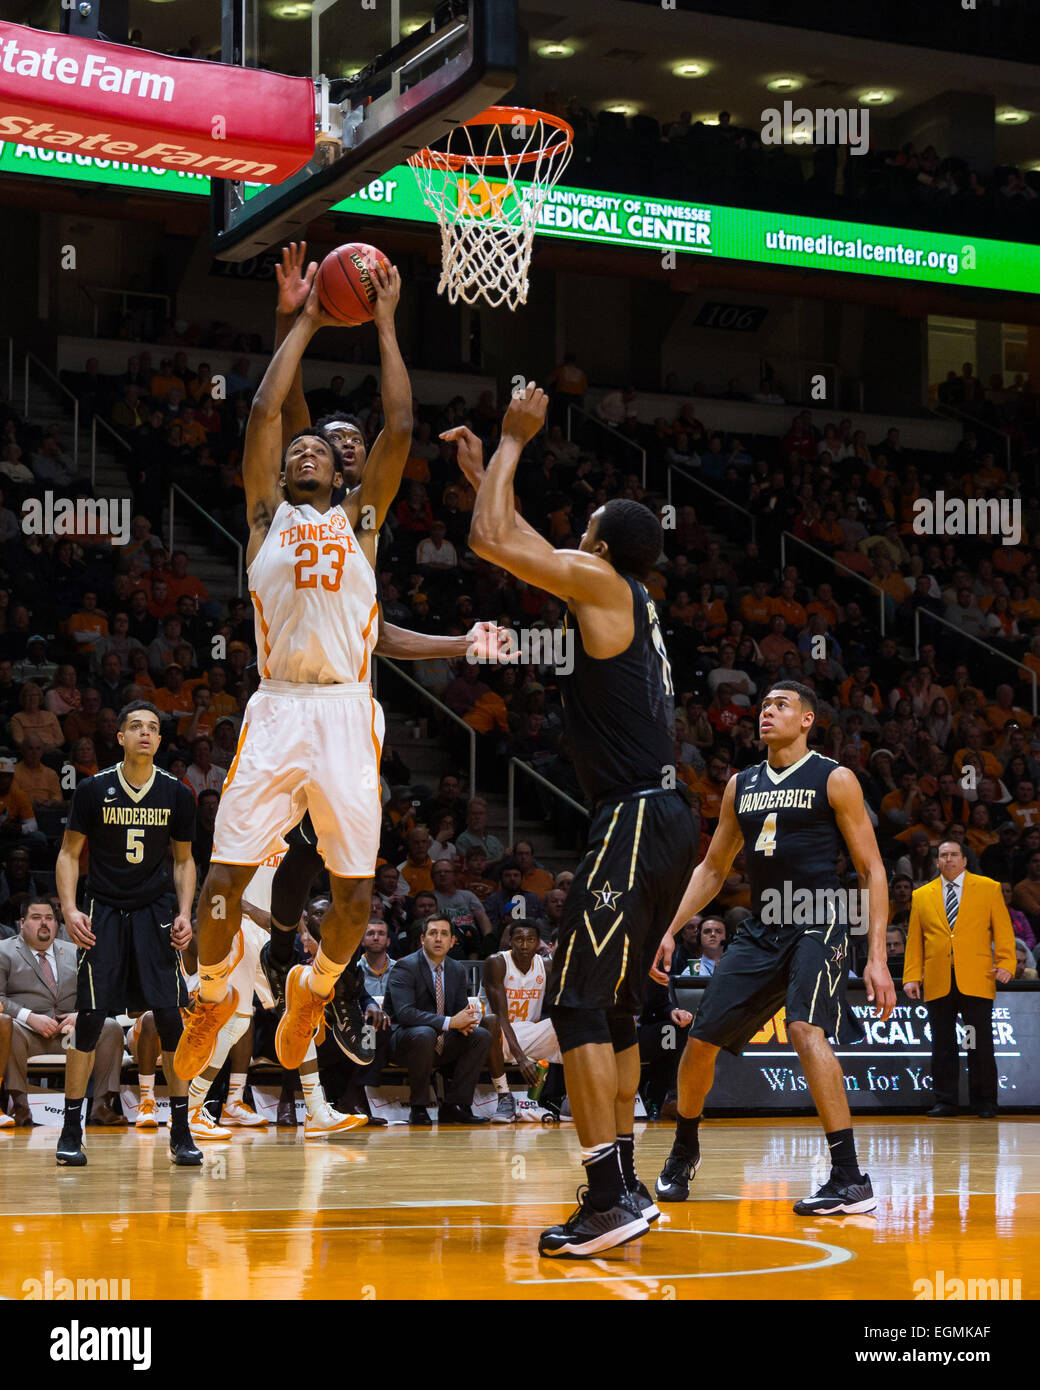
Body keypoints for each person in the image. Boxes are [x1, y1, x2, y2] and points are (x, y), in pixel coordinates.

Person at [450, 388, 699, 1258]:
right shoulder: (628, 597)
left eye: (584, 528)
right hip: (664, 815)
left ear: (597, 543)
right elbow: (511, 539)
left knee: (579, 1001)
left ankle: (605, 1197)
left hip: (631, 816)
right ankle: (625, 1182)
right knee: (621, 1012)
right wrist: (492, 475)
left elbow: (493, 542)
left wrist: (515, 439)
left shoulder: (600, 579)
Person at [172, 250, 413, 1088]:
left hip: (347, 714)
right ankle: (207, 996)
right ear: (281, 471)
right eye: (298, 448)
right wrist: (304, 318)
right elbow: (270, 411)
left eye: (323, 448)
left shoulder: (364, 520)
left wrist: (382, 322)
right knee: (224, 877)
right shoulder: (264, 514)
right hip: (276, 711)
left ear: (341, 472)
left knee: (355, 894)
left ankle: (317, 988)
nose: (309, 449)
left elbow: (400, 430)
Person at [650, 680, 896, 1216]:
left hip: (819, 919)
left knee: (806, 1029)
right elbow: (714, 869)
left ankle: (849, 1178)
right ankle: (684, 1150)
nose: (766, 713)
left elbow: (872, 868)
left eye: (780, 706)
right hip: (763, 925)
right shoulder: (742, 784)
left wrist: (876, 957)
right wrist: (668, 928)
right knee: (701, 1041)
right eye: (763, 706)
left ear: (807, 719)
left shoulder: (835, 777)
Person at [54, 700, 200, 1166]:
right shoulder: (95, 789)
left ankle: (181, 1130)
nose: (144, 733)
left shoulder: (177, 793)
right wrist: (71, 908)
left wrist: (184, 913)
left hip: (155, 910)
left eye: (152, 728)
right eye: (134, 726)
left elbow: (183, 860)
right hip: (103, 908)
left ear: (159, 740)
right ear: (119, 737)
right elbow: (67, 854)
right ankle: (71, 1128)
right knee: (92, 1019)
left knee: (171, 1017)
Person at [904, 840, 1015, 1118]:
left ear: (964, 860)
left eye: (954, 855)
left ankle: (985, 1101)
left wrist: (1006, 964)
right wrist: (912, 976)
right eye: (943, 855)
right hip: (939, 979)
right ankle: (946, 1101)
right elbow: (914, 941)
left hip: (977, 977)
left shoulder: (988, 888)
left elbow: (1003, 929)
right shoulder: (922, 895)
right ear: (937, 861)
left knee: (978, 1043)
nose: (949, 859)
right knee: (942, 1045)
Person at [0, 898, 125, 1127]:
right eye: (36, 918)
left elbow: (96, 990)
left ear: (57, 923)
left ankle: (102, 1106)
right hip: (28, 1034)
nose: (44, 923)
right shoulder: (4, 951)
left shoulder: (75, 950)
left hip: (71, 1034)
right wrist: (29, 1017)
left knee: (110, 1027)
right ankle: (20, 1106)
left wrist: (82, 1015)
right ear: (22, 923)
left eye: (49, 918)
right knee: (8, 1027)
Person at [384, 915, 496, 1125]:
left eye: (444, 934)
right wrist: (450, 1022)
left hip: (442, 1041)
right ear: (422, 939)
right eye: (433, 933)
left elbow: (460, 1012)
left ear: (452, 941)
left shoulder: (456, 969)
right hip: (405, 1042)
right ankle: (418, 1108)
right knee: (424, 1033)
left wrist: (465, 1023)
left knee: (480, 1036)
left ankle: (455, 1105)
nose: (438, 939)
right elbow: (405, 1013)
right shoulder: (404, 967)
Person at [481, 922, 561, 1123]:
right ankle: (504, 1097)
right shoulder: (497, 962)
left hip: (529, 1035)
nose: (525, 946)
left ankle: (570, 1097)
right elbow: (500, 1015)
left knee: (569, 1022)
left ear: (538, 943)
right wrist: (522, 1058)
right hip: (496, 1038)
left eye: (530, 940)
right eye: (519, 939)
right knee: (490, 1021)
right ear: (510, 941)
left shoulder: (546, 966)